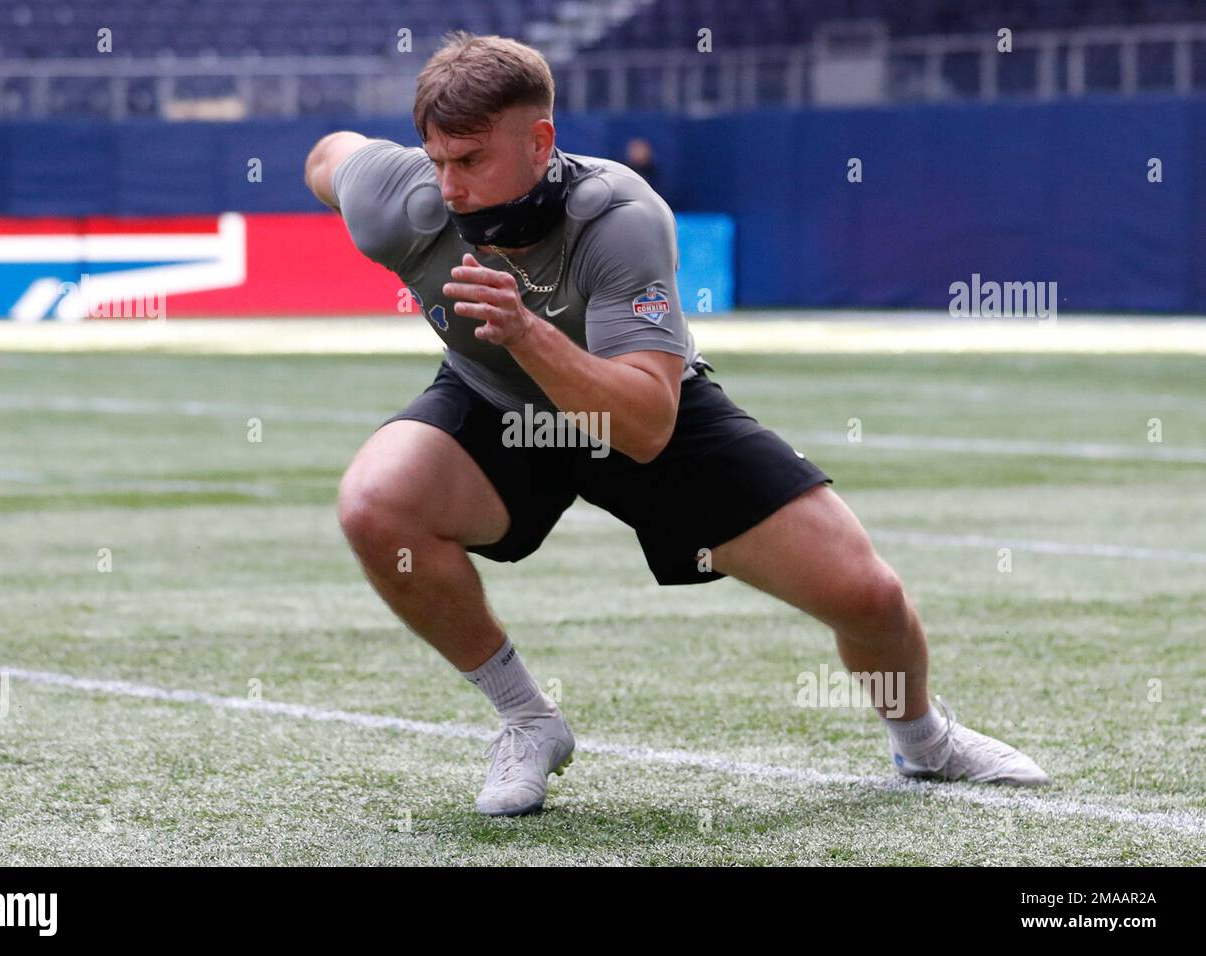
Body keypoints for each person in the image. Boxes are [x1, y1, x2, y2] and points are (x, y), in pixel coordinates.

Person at [304, 31, 1050, 817]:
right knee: (375, 504)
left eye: (472, 160)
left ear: (540, 141)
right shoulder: (403, 199)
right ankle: (528, 719)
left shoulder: (619, 216)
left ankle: (925, 742)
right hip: (496, 405)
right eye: (437, 159)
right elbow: (331, 155)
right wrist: (350, 165)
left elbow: (648, 426)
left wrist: (529, 332)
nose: (450, 186)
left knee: (867, 596)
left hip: (632, 405)